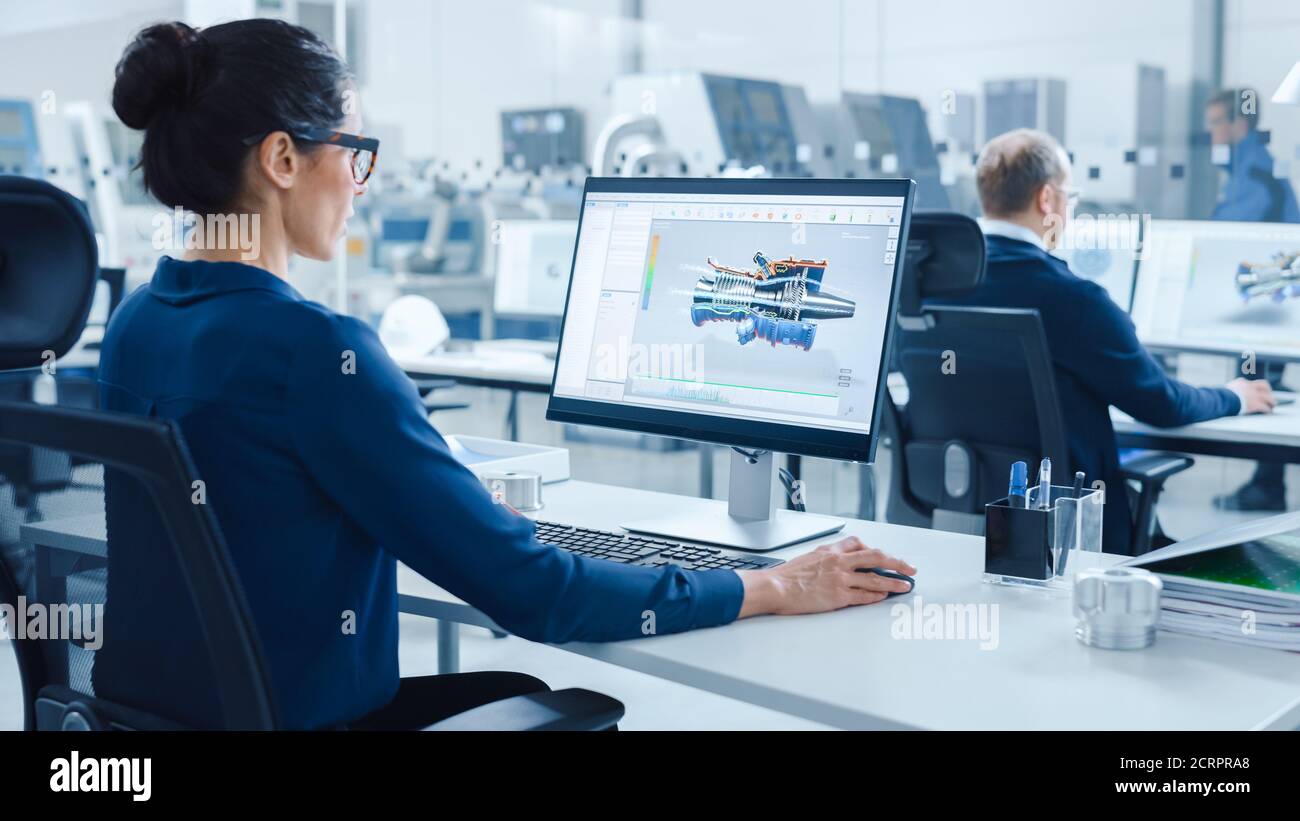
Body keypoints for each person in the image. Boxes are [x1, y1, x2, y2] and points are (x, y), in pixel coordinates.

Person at [95, 19, 915, 731]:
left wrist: (435, 497)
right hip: (311, 716)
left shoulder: (138, 323)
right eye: (355, 153)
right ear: (281, 158)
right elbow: (537, 595)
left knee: (517, 691)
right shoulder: (317, 351)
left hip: (169, 723)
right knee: (554, 700)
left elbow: (257, 501)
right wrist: (764, 586)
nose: (360, 184)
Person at [935, 128, 1276, 555]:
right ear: (1047, 199)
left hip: (951, 520)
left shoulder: (933, 284)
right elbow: (1161, 402)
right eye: (1068, 196)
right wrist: (1234, 396)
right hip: (1067, 536)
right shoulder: (1075, 299)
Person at [1204, 88, 1297, 512]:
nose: (1212, 134)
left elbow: (1231, 229)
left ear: (1238, 124)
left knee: (1261, 380)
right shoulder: (1248, 166)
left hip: (1269, 296)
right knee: (1262, 377)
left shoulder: (1253, 172)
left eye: (1216, 123)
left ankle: (1268, 485)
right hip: (1265, 292)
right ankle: (1266, 481)